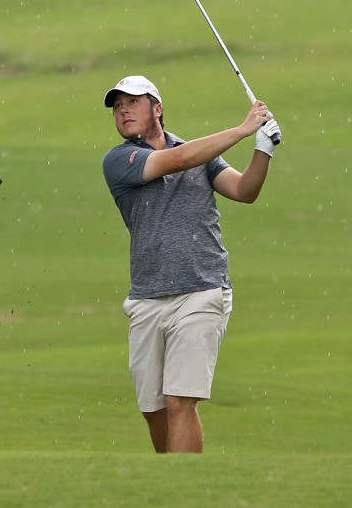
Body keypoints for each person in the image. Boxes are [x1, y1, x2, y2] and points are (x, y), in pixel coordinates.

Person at [100, 75, 281, 453]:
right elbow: (178, 159)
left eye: (133, 102)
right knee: (155, 409)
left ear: (157, 108)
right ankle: (174, 484)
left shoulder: (203, 155)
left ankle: (187, 490)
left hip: (202, 289)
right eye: (118, 106)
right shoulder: (119, 159)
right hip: (148, 296)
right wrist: (245, 128)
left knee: (180, 400)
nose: (124, 111)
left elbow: (244, 191)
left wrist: (262, 149)